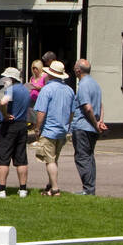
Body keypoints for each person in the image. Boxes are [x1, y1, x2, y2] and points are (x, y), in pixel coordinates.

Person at [30, 60, 75, 196]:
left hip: (49, 130)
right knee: (54, 160)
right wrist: (67, 125)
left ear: (50, 75)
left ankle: (55, 189)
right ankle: (50, 185)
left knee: (49, 160)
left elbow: (41, 112)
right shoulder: (69, 90)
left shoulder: (47, 90)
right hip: (62, 129)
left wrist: (37, 129)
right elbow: (72, 112)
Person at [0, 66, 31, 198]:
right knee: (21, 157)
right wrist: (0, 114)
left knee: (3, 156)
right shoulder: (25, 90)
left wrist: (4, 113)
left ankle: (1, 189)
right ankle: (23, 189)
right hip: (22, 125)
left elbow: (3, 102)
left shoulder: (10, 89)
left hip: (9, 126)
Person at [70, 58, 107, 195]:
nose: (73, 69)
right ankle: (90, 188)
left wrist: (95, 124)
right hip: (92, 127)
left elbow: (88, 108)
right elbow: (101, 105)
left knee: (82, 157)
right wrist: (100, 121)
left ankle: (88, 189)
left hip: (83, 127)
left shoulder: (84, 85)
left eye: (74, 67)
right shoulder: (95, 84)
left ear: (78, 70)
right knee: (89, 157)